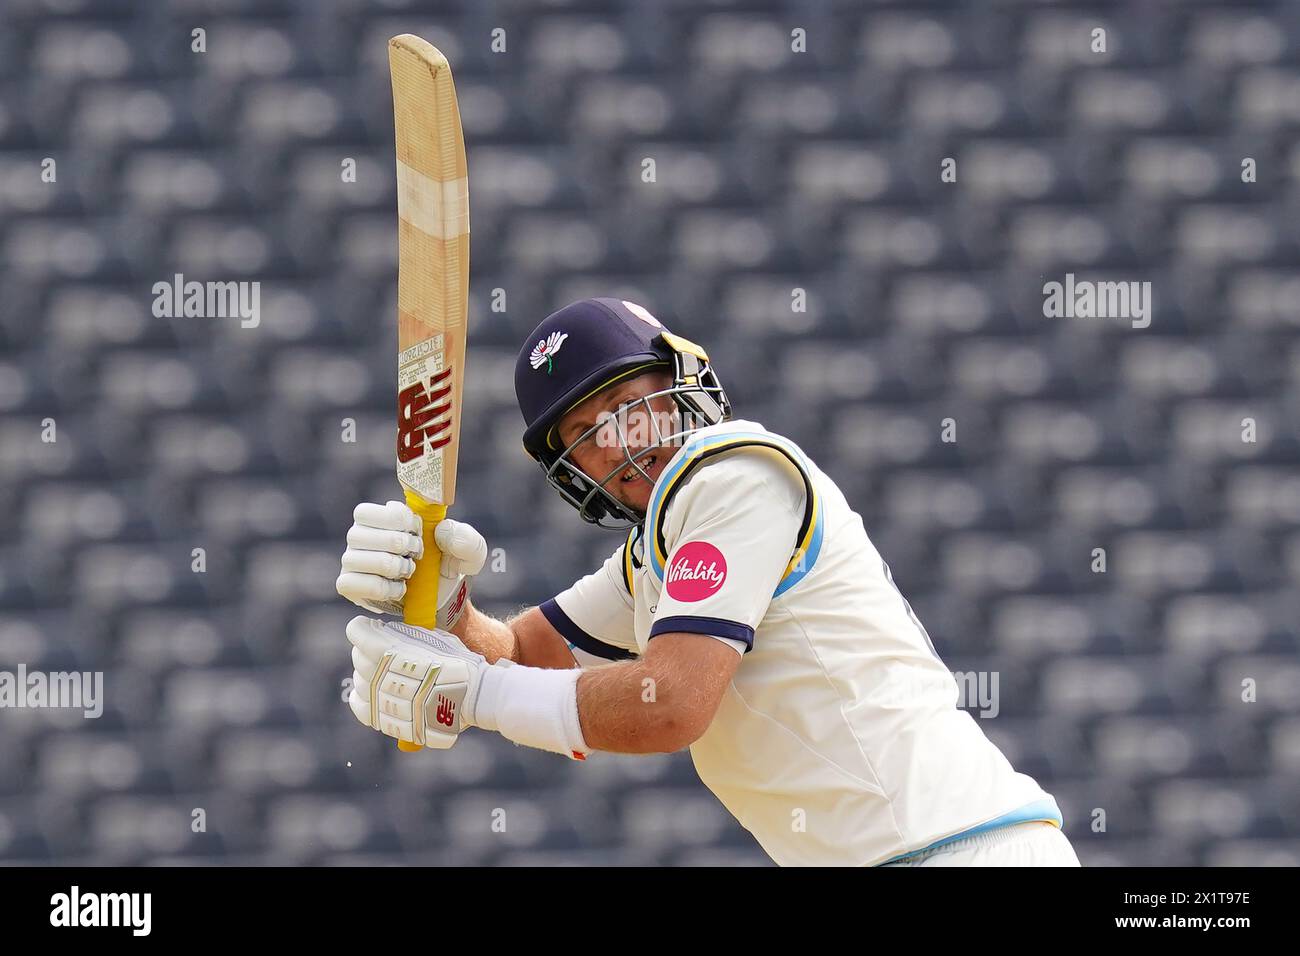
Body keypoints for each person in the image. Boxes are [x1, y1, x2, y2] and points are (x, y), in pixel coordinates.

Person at [335, 297, 1080, 866]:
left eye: (628, 405)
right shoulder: (657, 550)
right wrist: (448, 609)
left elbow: (672, 705)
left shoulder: (733, 474)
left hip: (961, 849)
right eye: (587, 435)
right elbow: (524, 657)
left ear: (682, 382)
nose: (619, 442)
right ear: (571, 474)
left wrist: (475, 698)